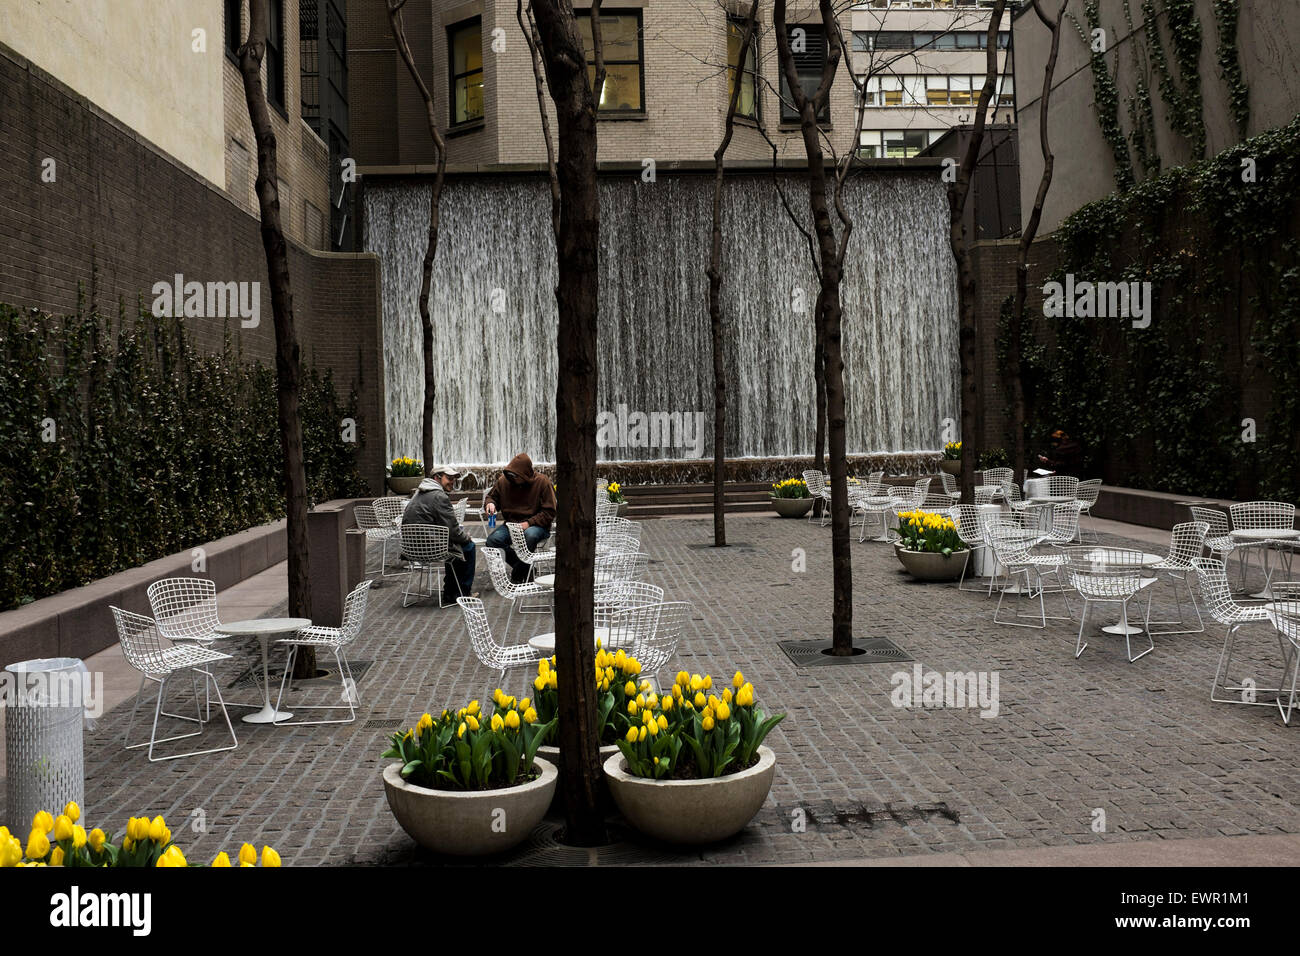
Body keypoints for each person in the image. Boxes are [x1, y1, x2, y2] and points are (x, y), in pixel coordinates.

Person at [402, 465, 476, 607]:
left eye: (454, 479)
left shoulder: (418, 493)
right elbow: (453, 530)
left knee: (454, 545)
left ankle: (450, 592)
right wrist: (466, 538)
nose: (452, 482)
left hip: (410, 548)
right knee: (468, 547)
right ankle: (462, 593)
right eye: (449, 478)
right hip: (429, 549)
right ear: (437, 478)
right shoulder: (439, 496)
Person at [484, 453, 556, 584]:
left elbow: (549, 512)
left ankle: (517, 575)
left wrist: (528, 523)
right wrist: (490, 503)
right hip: (511, 524)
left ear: (526, 474)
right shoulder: (503, 481)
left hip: (536, 526)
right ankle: (526, 568)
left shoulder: (542, 482)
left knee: (530, 535)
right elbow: (491, 497)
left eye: (516, 476)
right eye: (511, 475)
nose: (513, 478)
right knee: (493, 541)